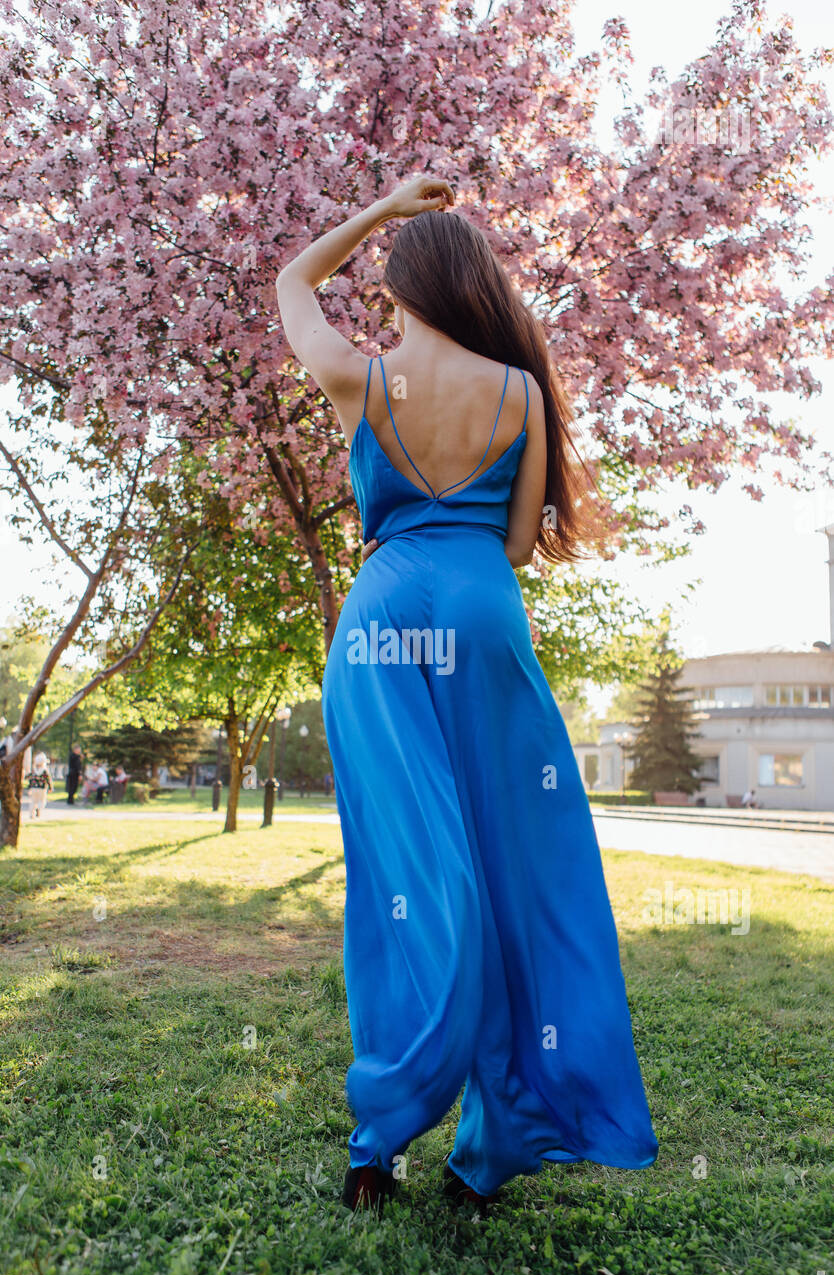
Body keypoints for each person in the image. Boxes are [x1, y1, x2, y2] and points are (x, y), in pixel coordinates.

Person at [276, 175, 658, 1215]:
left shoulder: (363, 378)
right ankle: (488, 1153)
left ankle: (380, 1133)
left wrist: (377, 210)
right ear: (475, 286)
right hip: (481, 618)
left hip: (383, 626)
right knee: (512, 870)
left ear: (399, 284)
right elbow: (520, 539)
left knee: (405, 876)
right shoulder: (520, 392)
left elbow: (291, 279)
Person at [26, 752, 54, 819]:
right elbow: (48, 779)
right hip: (42, 788)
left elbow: (29, 778)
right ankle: (38, 809)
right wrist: (50, 787)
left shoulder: (34, 770)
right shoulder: (44, 771)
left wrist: (29, 786)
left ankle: (31, 814)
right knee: (41, 801)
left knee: (33, 801)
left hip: (34, 788)